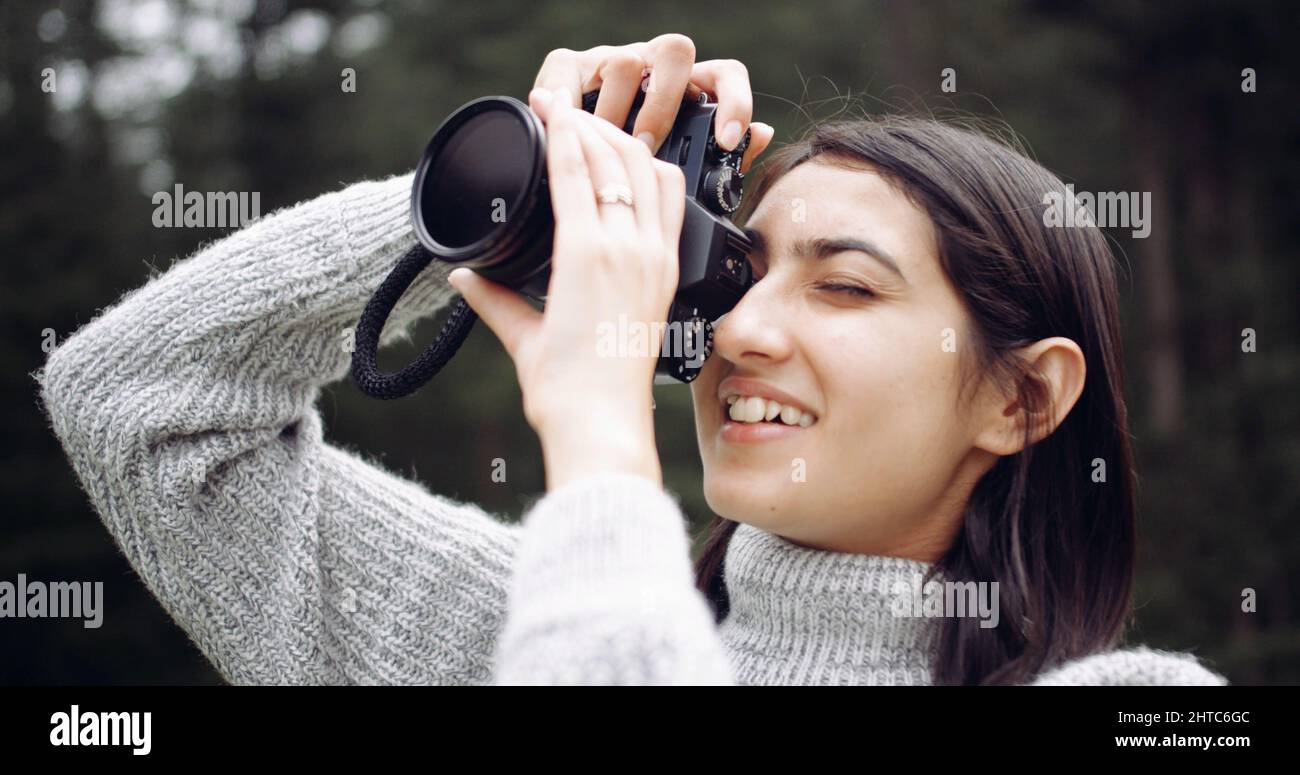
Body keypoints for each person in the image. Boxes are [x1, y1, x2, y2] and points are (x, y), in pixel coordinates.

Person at [37, 34, 1226, 685]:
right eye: (741, 274)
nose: (740, 332)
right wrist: (506, 196)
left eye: (846, 286)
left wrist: (600, 439)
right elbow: (138, 401)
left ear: (1022, 397)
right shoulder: (509, 618)